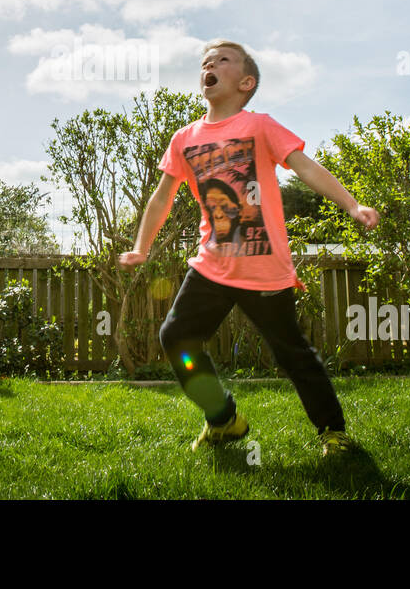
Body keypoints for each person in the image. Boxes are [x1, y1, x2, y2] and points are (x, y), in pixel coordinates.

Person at [118, 40, 379, 455]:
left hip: (264, 268)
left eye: (222, 59)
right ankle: (222, 419)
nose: (210, 64)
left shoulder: (260, 126)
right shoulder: (184, 138)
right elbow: (161, 198)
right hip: (212, 265)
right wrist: (141, 247)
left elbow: (305, 166)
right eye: (206, 61)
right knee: (177, 338)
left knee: (291, 352)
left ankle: (333, 431)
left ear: (245, 82)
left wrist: (351, 204)